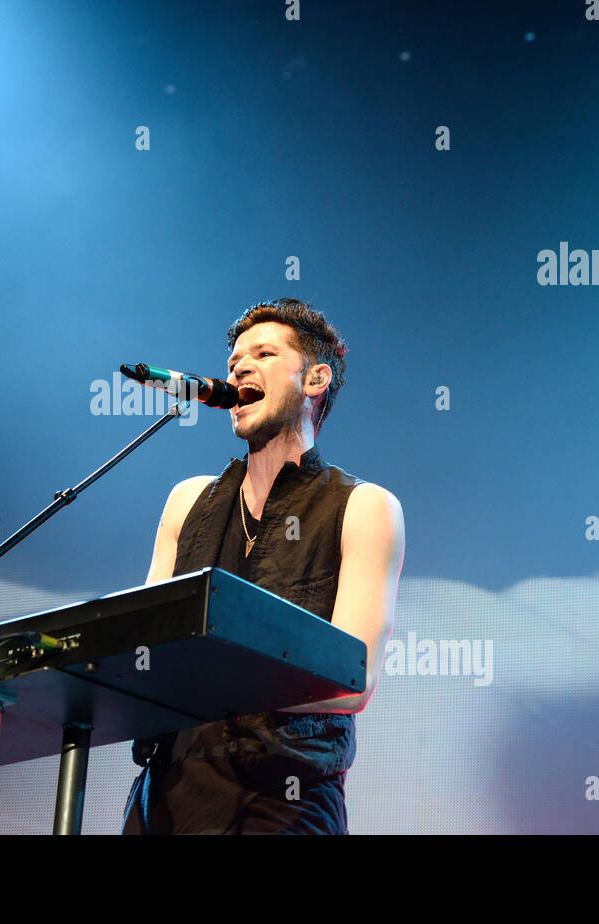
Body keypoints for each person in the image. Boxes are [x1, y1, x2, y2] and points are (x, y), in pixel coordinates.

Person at [121, 298, 405, 834]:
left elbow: (353, 681)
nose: (239, 368)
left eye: (264, 353)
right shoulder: (188, 501)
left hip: (285, 803)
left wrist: (213, 677)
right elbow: (144, 647)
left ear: (316, 379)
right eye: (233, 363)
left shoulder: (365, 508)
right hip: (168, 795)